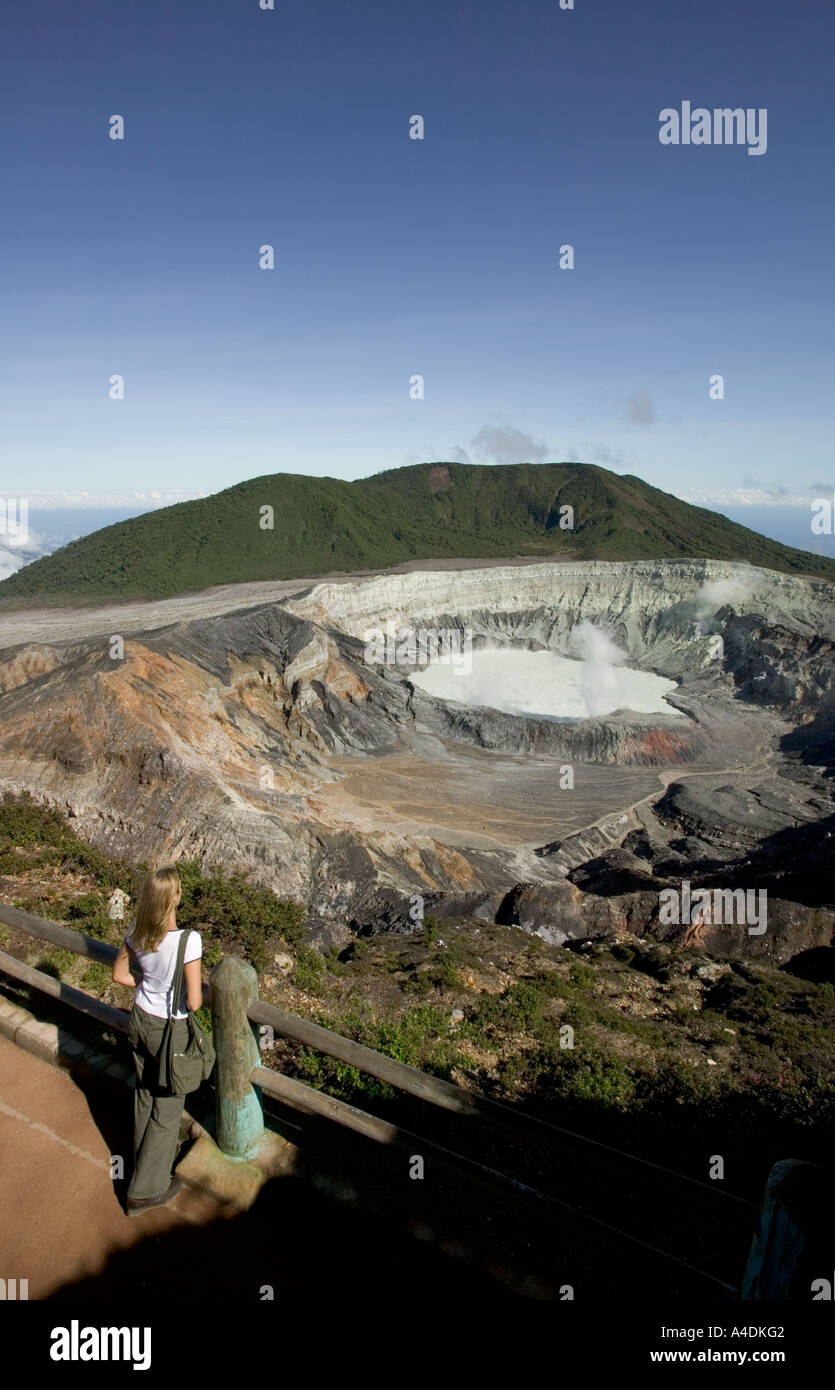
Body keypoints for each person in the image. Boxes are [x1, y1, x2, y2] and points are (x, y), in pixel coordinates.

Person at [111, 865, 203, 1215]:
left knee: (145, 1095)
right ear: (176, 897)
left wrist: (147, 986)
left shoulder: (135, 933)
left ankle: (144, 1166)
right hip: (169, 1028)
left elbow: (121, 974)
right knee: (167, 1107)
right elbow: (193, 1001)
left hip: (140, 1020)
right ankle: (146, 1189)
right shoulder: (188, 940)